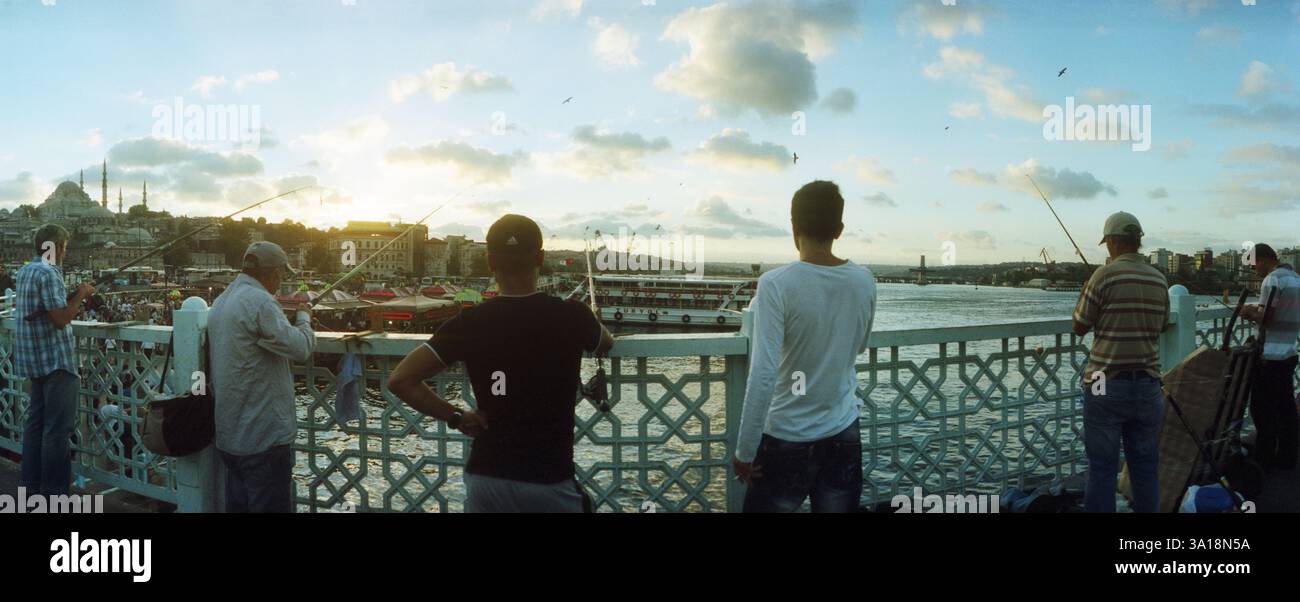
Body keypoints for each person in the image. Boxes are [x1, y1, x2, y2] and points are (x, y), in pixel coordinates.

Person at [387, 214, 613, 513]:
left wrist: (456, 416)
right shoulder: (572, 315)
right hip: (549, 478)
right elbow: (605, 342)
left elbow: (401, 380)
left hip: (486, 476)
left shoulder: (470, 322)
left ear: (490, 262)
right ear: (540, 258)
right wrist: (588, 319)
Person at [731, 180, 877, 513]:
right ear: (839, 230)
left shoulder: (775, 284)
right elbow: (860, 345)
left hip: (788, 436)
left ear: (794, 227)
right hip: (843, 430)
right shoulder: (864, 280)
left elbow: (764, 372)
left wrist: (745, 450)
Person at [1072, 212, 1169, 512]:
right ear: (1137, 241)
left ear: (1113, 241)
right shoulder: (1159, 278)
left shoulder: (1103, 275)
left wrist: (1086, 291)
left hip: (1105, 382)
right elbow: (1163, 324)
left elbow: (1079, 326)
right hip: (1148, 383)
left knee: (1103, 468)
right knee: (1145, 467)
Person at [209, 242, 316, 513]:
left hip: (230, 437)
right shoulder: (260, 301)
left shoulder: (222, 300)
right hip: (262, 439)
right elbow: (300, 348)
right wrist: (304, 317)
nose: (281, 281)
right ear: (275, 272)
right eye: (283, 274)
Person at [14, 224, 96, 495]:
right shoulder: (50, 273)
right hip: (55, 361)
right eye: (64, 247)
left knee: (35, 426)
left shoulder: (26, 270)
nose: (64, 252)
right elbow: (61, 319)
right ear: (57, 246)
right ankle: (54, 493)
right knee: (57, 431)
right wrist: (81, 294)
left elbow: (45, 307)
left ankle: (31, 486)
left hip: (32, 359)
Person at [1241, 243, 1299, 472]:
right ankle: (1287, 458)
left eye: (1254, 265)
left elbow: (1266, 319)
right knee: (1285, 408)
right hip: (1289, 352)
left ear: (1263, 260)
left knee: (1262, 409)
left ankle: (1264, 460)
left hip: (1270, 356)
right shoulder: (1296, 279)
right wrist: (1260, 309)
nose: (1254, 269)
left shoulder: (1272, 279)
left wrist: (1247, 312)